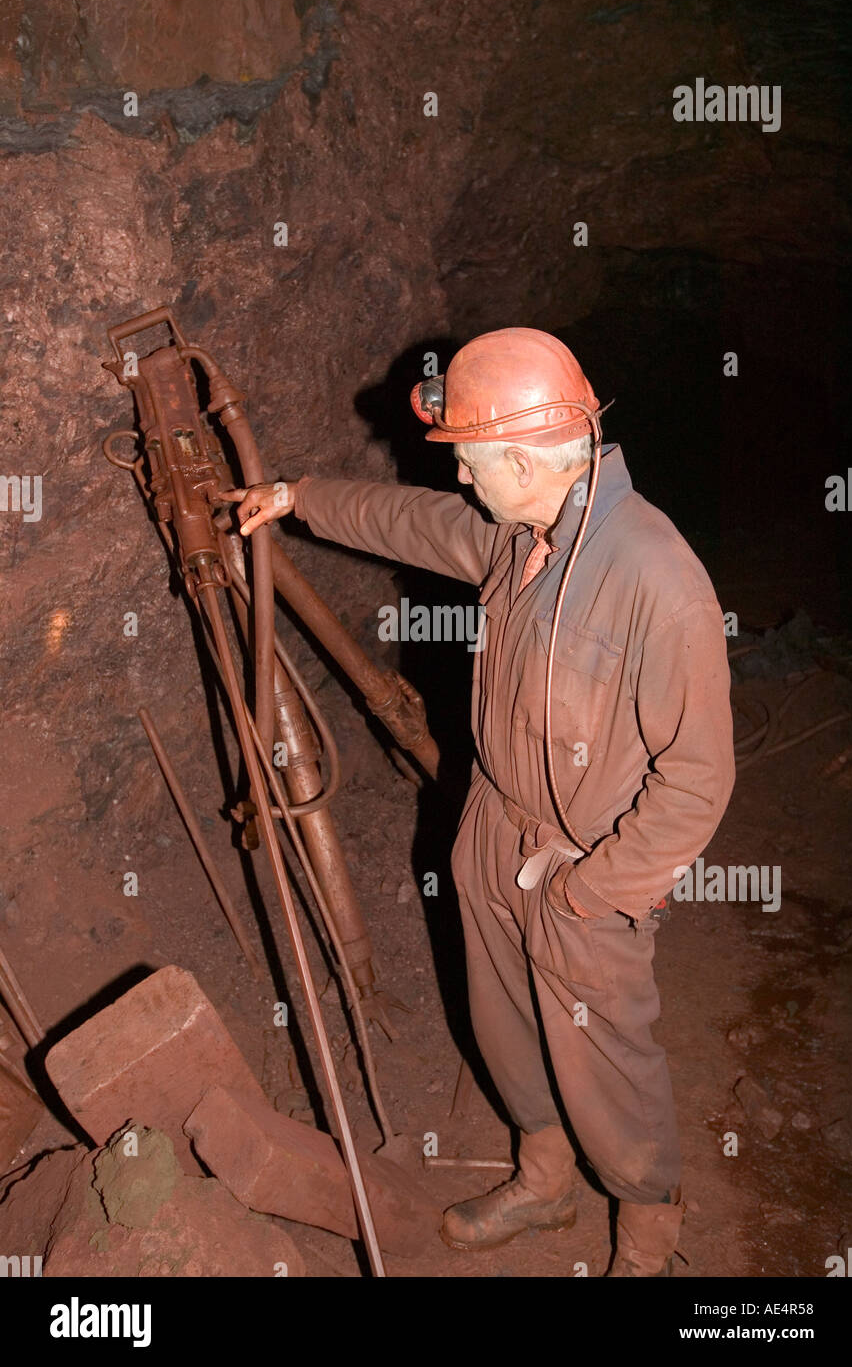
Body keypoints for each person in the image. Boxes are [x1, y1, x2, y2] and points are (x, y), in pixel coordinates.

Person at [221, 327, 735, 1276]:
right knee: (504, 1027)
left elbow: (698, 777)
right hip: (494, 832)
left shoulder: (656, 581)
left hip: (585, 863)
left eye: (470, 461)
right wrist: (296, 497)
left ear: (523, 461)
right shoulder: (520, 536)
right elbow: (410, 521)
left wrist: (596, 889)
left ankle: (648, 1236)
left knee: (606, 1061)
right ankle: (545, 1181)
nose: (460, 478)